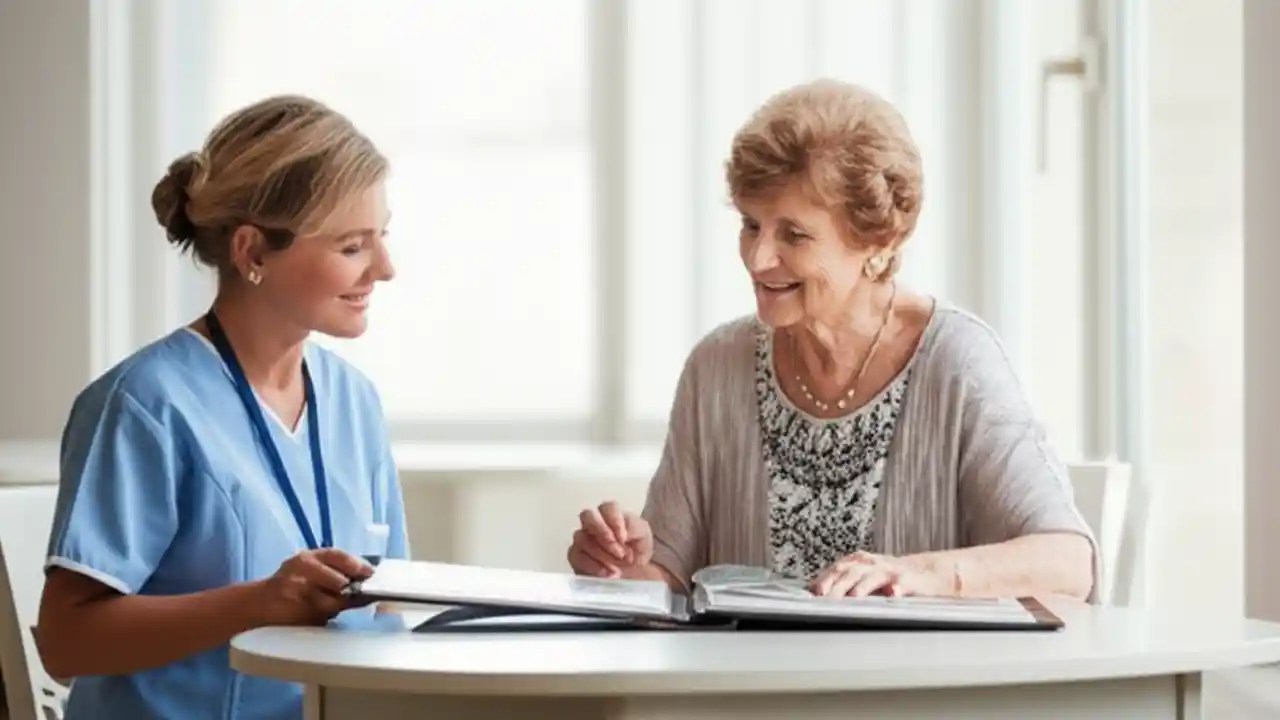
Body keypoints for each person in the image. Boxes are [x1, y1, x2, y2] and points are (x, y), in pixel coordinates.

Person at [567, 79, 1098, 602]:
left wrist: (922, 574)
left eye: (793, 235)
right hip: (742, 688)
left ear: (878, 242)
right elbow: (670, 581)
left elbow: (1069, 563)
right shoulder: (716, 368)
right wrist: (623, 570)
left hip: (908, 688)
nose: (758, 259)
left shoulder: (957, 363)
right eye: (751, 225)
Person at [35, 95, 408, 719]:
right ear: (253, 252)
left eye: (383, 238)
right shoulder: (144, 404)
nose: (386, 269)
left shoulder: (355, 402)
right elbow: (66, 642)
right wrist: (260, 602)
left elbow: (392, 603)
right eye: (352, 246)